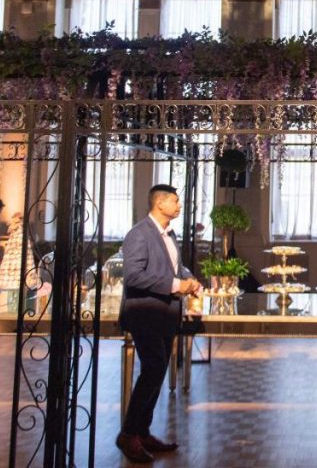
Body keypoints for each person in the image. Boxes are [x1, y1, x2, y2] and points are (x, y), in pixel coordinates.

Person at [117, 184, 202, 464]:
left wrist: (190, 280)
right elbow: (134, 277)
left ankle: (142, 432)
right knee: (152, 369)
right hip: (145, 314)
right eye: (175, 202)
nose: (179, 206)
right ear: (160, 203)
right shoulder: (139, 234)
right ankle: (129, 434)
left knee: (157, 370)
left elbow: (174, 268)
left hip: (165, 315)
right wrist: (177, 284)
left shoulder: (169, 234)